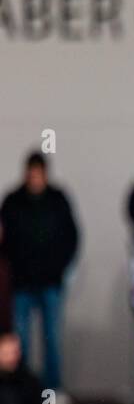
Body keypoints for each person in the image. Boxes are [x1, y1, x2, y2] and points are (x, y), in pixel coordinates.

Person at [0, 153, 79, 391]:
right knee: (19, 340)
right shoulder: (13, 201)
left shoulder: (58, 200)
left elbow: (72, 237)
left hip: (50, 282)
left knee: (52, 339)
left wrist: (60, 269)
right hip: (21, 283)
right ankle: (18, 392)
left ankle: (52, 390)